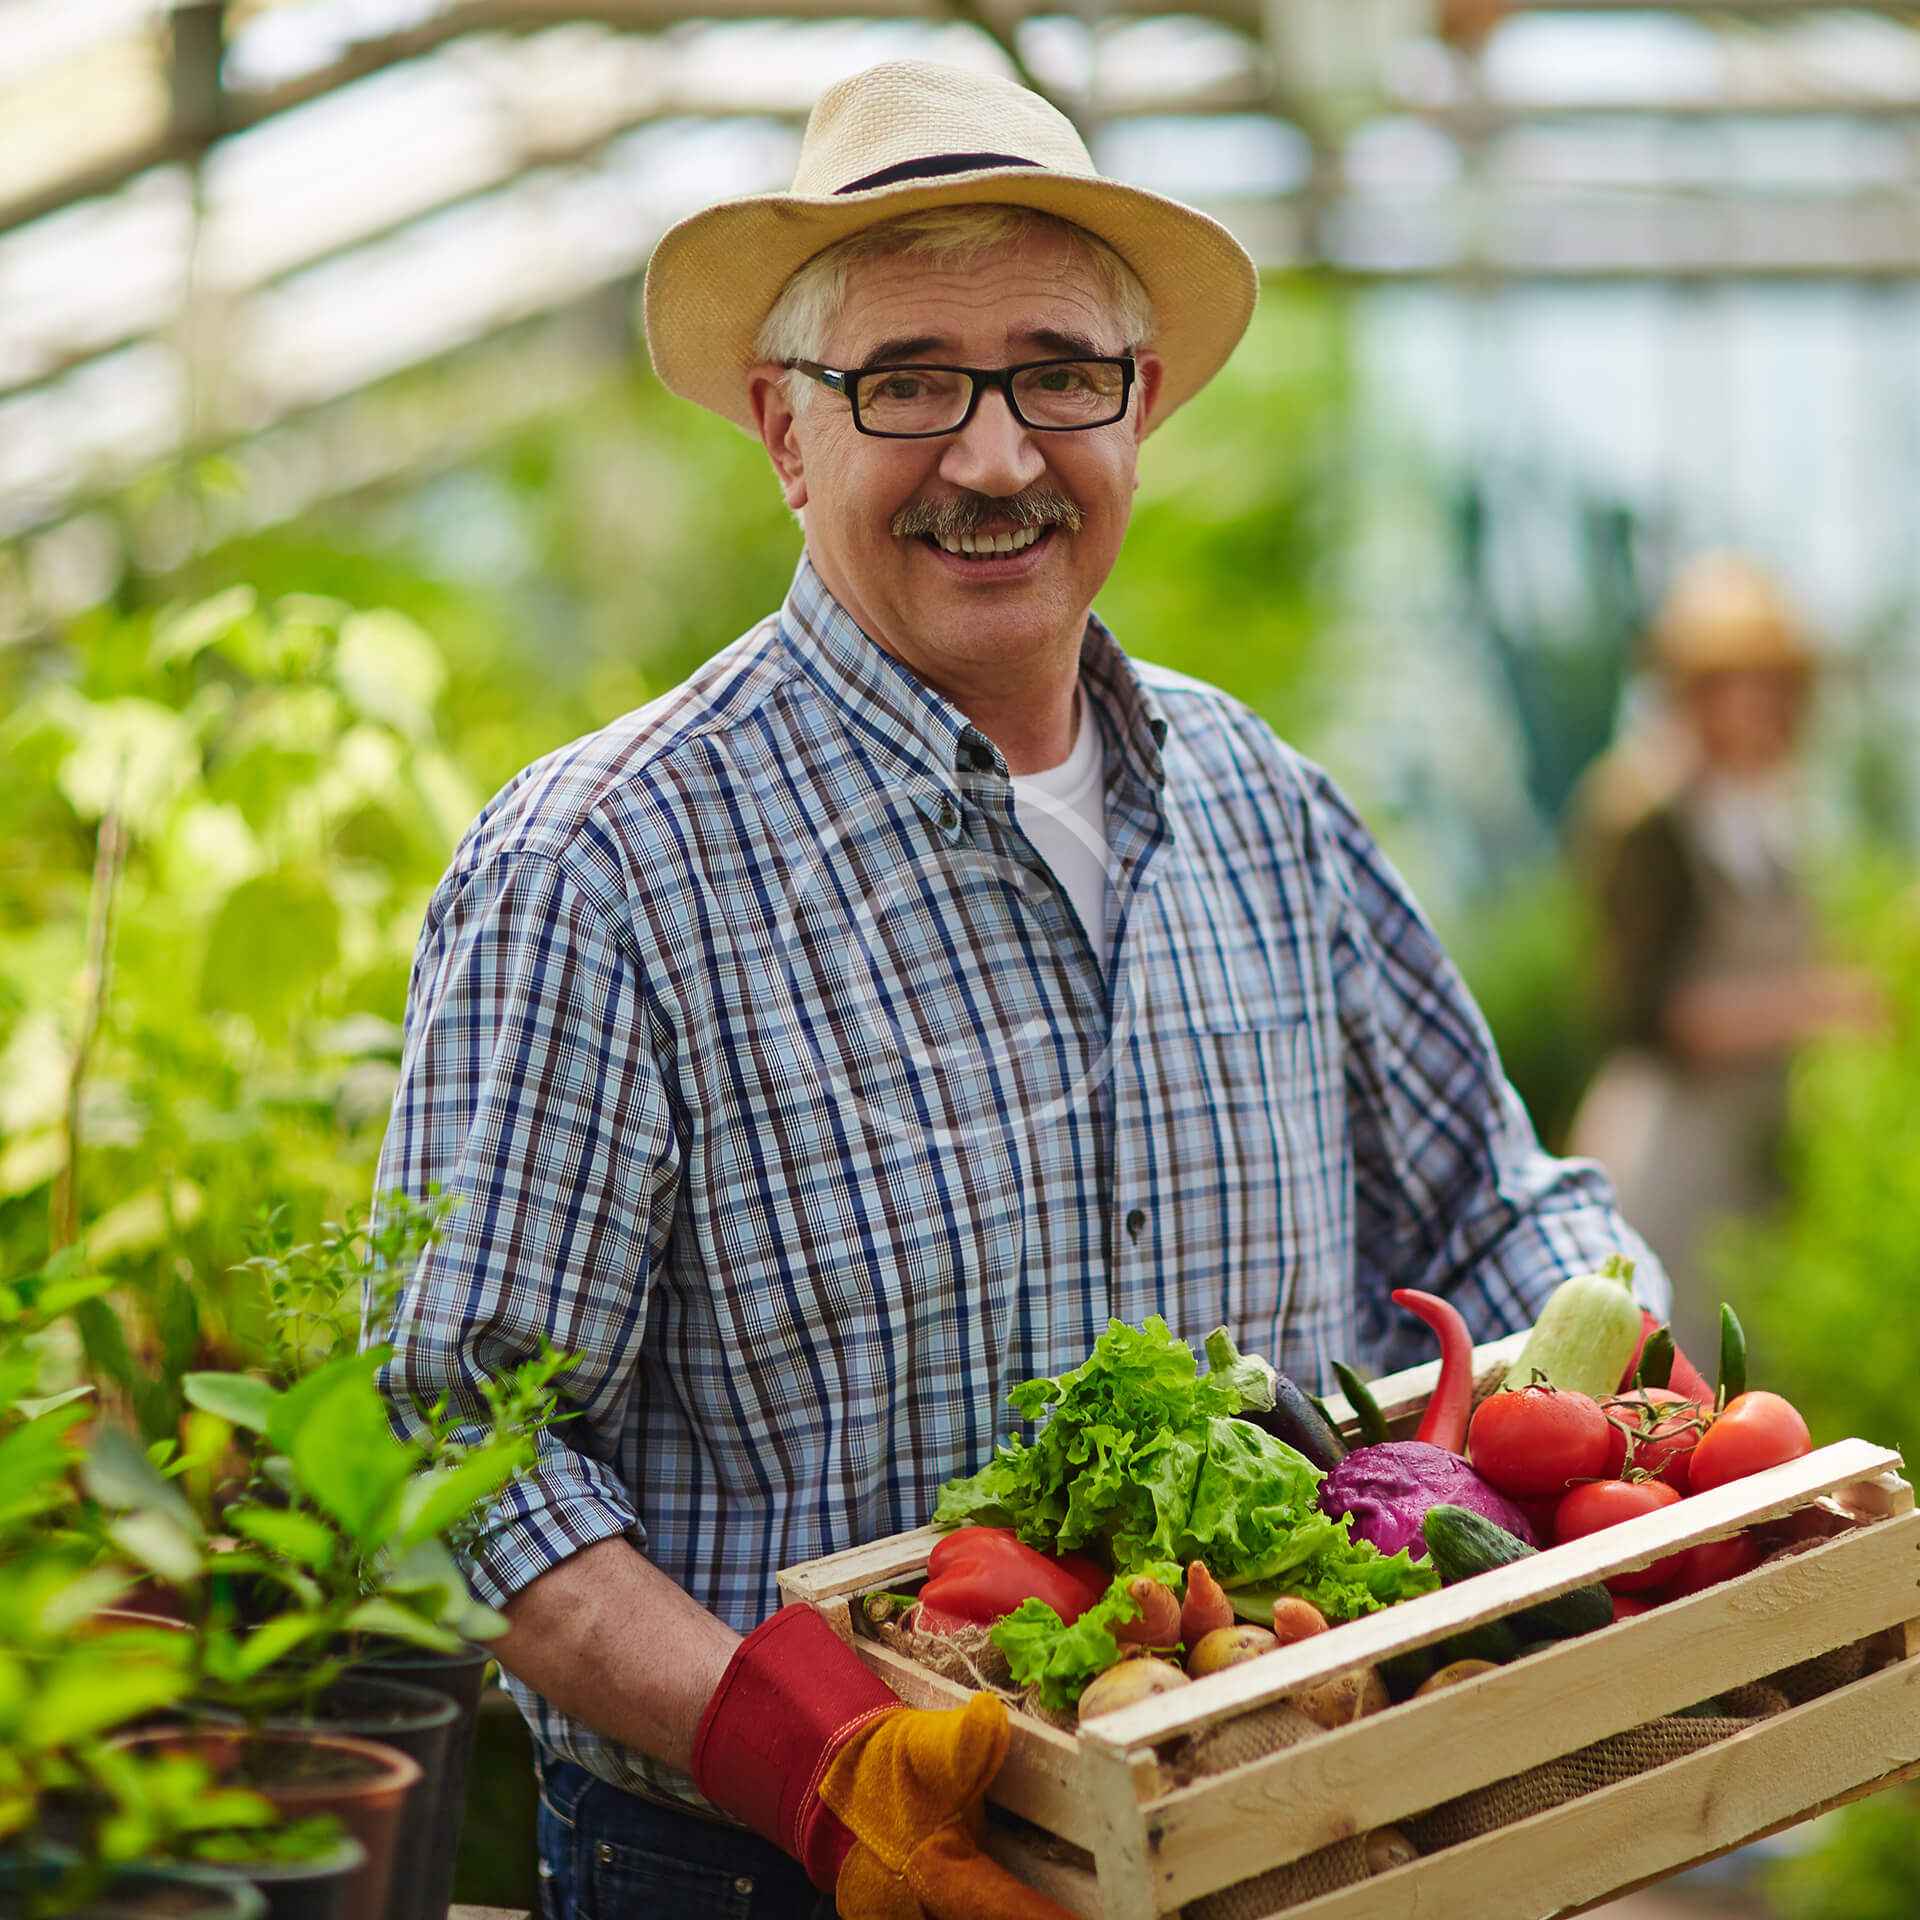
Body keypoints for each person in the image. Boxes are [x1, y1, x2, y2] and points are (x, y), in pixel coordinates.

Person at [370, 58, 1668, 1920]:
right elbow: (458, 1441)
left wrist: (1667, 1440)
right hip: (770, 1877)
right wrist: (810, 1763)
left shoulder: (1259, 804)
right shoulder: (603, 870)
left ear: (1140, 405)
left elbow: (1496, 1207)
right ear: (785, 428)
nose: (995, 460)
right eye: (907, 382)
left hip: (1292, 1818)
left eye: (1059, 372)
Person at [1567, 552, 1879, 1363]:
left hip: (1756, 1147)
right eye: (1733, 682)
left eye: (1773, 683)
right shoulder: (1645, 816)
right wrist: (1822, 1006)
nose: (1759, 704)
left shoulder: (1774, 813)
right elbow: (1644, 1013)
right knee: (1675, 1370)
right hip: (1674, 1150)